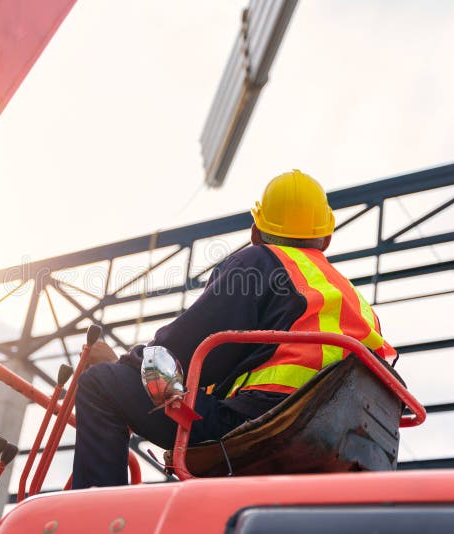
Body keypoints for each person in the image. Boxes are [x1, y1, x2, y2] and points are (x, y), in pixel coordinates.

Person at [71, 170, 396, 489]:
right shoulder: (358, 303)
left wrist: (124, 366)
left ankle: (91, 518)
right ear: (326, 238)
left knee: (102, 385)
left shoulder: (259, 262)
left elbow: (183, 350)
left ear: (256, 232)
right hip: (350, 442)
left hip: (264, 428)